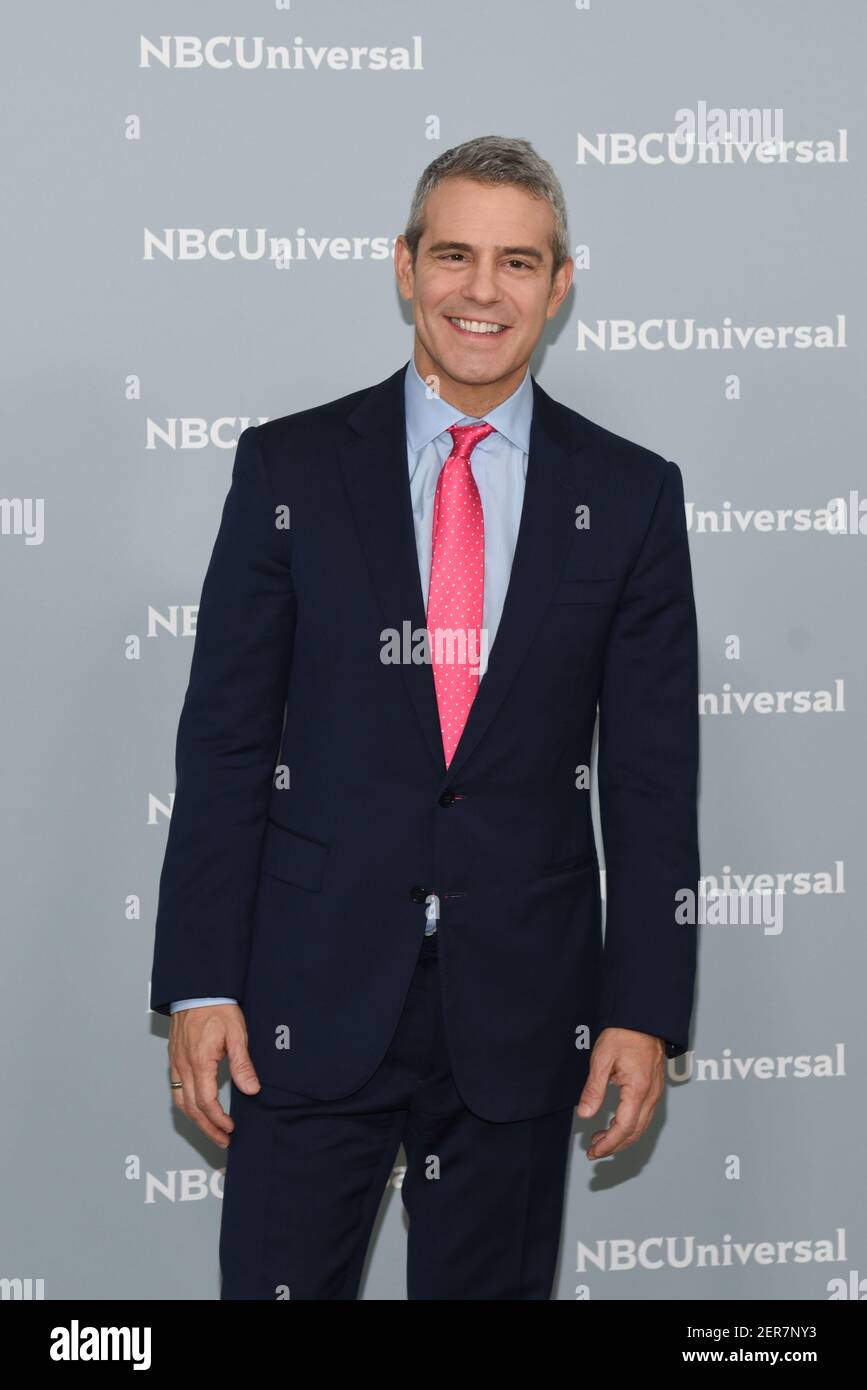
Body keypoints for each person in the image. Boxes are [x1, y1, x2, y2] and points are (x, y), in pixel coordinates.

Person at [150, 134, 700, 1300]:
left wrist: (643, 1010)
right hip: (303, 999)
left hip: (521, 1008)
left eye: (517, 261)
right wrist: (201, 981)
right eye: (453, 254)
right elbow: (228, 741)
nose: (481, 291)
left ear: (559, 286)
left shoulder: (632, 493)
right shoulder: (289, 466)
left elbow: (653, 778)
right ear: (405, 267)